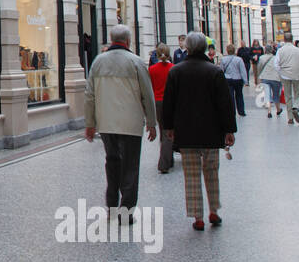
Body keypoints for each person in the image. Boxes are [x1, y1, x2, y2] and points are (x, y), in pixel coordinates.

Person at [162, 32, 236, 231]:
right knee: (212, 171)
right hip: (211, 132)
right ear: (204, 48)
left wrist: (168, 127)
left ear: (187, 48)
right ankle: (214, 210)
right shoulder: (214, 72)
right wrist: (229, 129)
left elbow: (169, 102)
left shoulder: (176, 71)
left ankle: (198, 217)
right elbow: (225, 104)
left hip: (186, 132)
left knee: (192, 174)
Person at [84, 24, 158, 220]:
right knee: (131, 166)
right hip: (131, 124)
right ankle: (126, 212)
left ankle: (111, 207)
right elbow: (147, 95)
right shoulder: (136, 62)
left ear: (111, 38)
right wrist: (152, 122)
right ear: (128, 41)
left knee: (112, 163)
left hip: (107, 124)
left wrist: (90, 123)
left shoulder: (98, 62)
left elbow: (89, 95)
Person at [148, 43, 175, 173]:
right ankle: (164, 163)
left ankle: (168, 158)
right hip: (170, 102)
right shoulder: (173, 68)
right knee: (169, 131)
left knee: (163, 129)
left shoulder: (152, 69)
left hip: (157, 102)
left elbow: (150, 88)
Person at [274, 32, 299, 125]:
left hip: (285, 75)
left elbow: (276, 64)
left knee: (288, 96)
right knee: (298, 93)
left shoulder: (280, 50)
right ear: (292, 39)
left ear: (284, 39)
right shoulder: (298, 50)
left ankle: (290, 118)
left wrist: (281, 72)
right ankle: (296, 107)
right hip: (297, 74)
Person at [221, 44, 249, 117]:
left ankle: (232, 111)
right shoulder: (239, 59)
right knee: (239, 95)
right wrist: (245, 81)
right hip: (238, 79)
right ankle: (241, 111)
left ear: (227, 51)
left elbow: (221, 70)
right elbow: (243, 71)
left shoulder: (224, 59)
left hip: (228, 79)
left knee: (230, 96)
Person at [258, 42, 283, 117]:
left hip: (265, 78)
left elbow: (259, 68)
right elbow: (279, 68)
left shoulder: (261, 58)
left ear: (265, 50)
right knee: (276, 95)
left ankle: (269, 111)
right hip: (275, 78)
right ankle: (278, 109)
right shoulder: (276, 58)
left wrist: (259, 77)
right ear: (272, 50)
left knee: (267, 95)